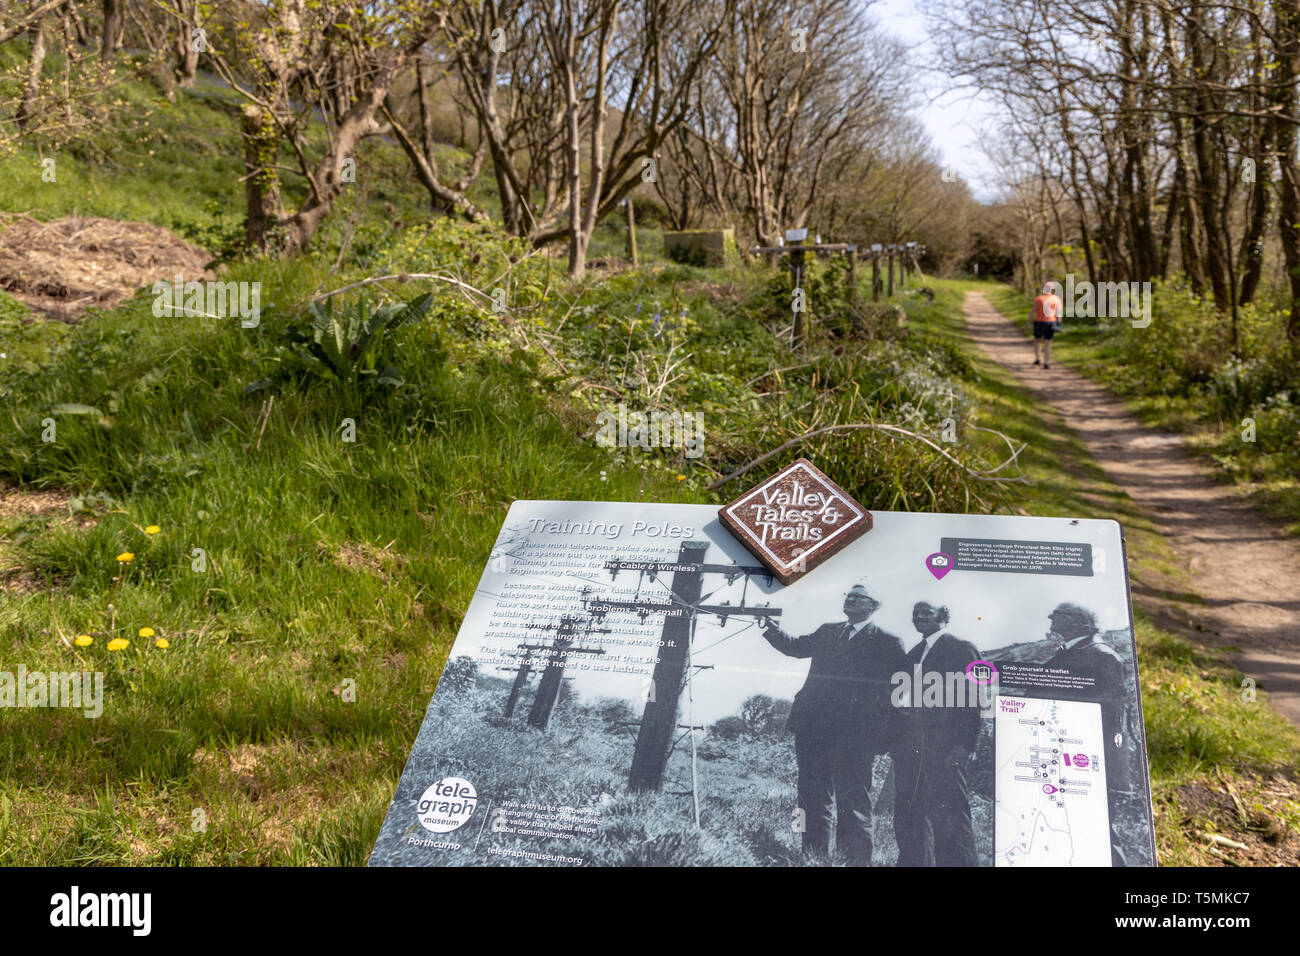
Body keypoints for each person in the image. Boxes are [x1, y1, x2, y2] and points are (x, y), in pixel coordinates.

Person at [760, 584, 906, 865]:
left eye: (858, 597)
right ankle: (813, 858)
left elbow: (895, 694)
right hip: (812, 730)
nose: (850, 600)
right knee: (812, 798)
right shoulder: (828, 630)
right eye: (848, 595)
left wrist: (882, 738)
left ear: (874, 606)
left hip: (855, 737)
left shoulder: (888, 642)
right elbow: (796, 647)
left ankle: (853, 862)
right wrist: (772, 630)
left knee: (854, 804)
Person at [890, 601, 981, 867]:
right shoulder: (915, 652)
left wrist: (964, 746)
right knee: (908, 813)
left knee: (950, 816)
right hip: (910, 747)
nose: (919, 617)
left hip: (945, 748)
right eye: (915, 613)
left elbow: (975, 699)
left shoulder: (961, 648)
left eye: (926, 613)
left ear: (943, 617)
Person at [1044, 602, 1131, 865]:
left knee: (1099, 829)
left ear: (1077, 621)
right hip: (1066, 753)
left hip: (1091, 760)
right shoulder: (1070, 652)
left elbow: (1113, 715)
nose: (1051, 619)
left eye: (1057, 615)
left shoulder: (1100, 655)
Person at [1028, 282, 1064, 369]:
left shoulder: (1038, 299)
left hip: (1039, 322)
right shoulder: (1056, 299)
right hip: (1050, 323)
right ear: (1052, 290)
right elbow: (1059, 313)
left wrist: (1028, 322)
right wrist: (1059, 323)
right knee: (1048, 343)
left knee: (1037, 341)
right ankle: (1046, 362)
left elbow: (1033, 312)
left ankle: (1037, 359)